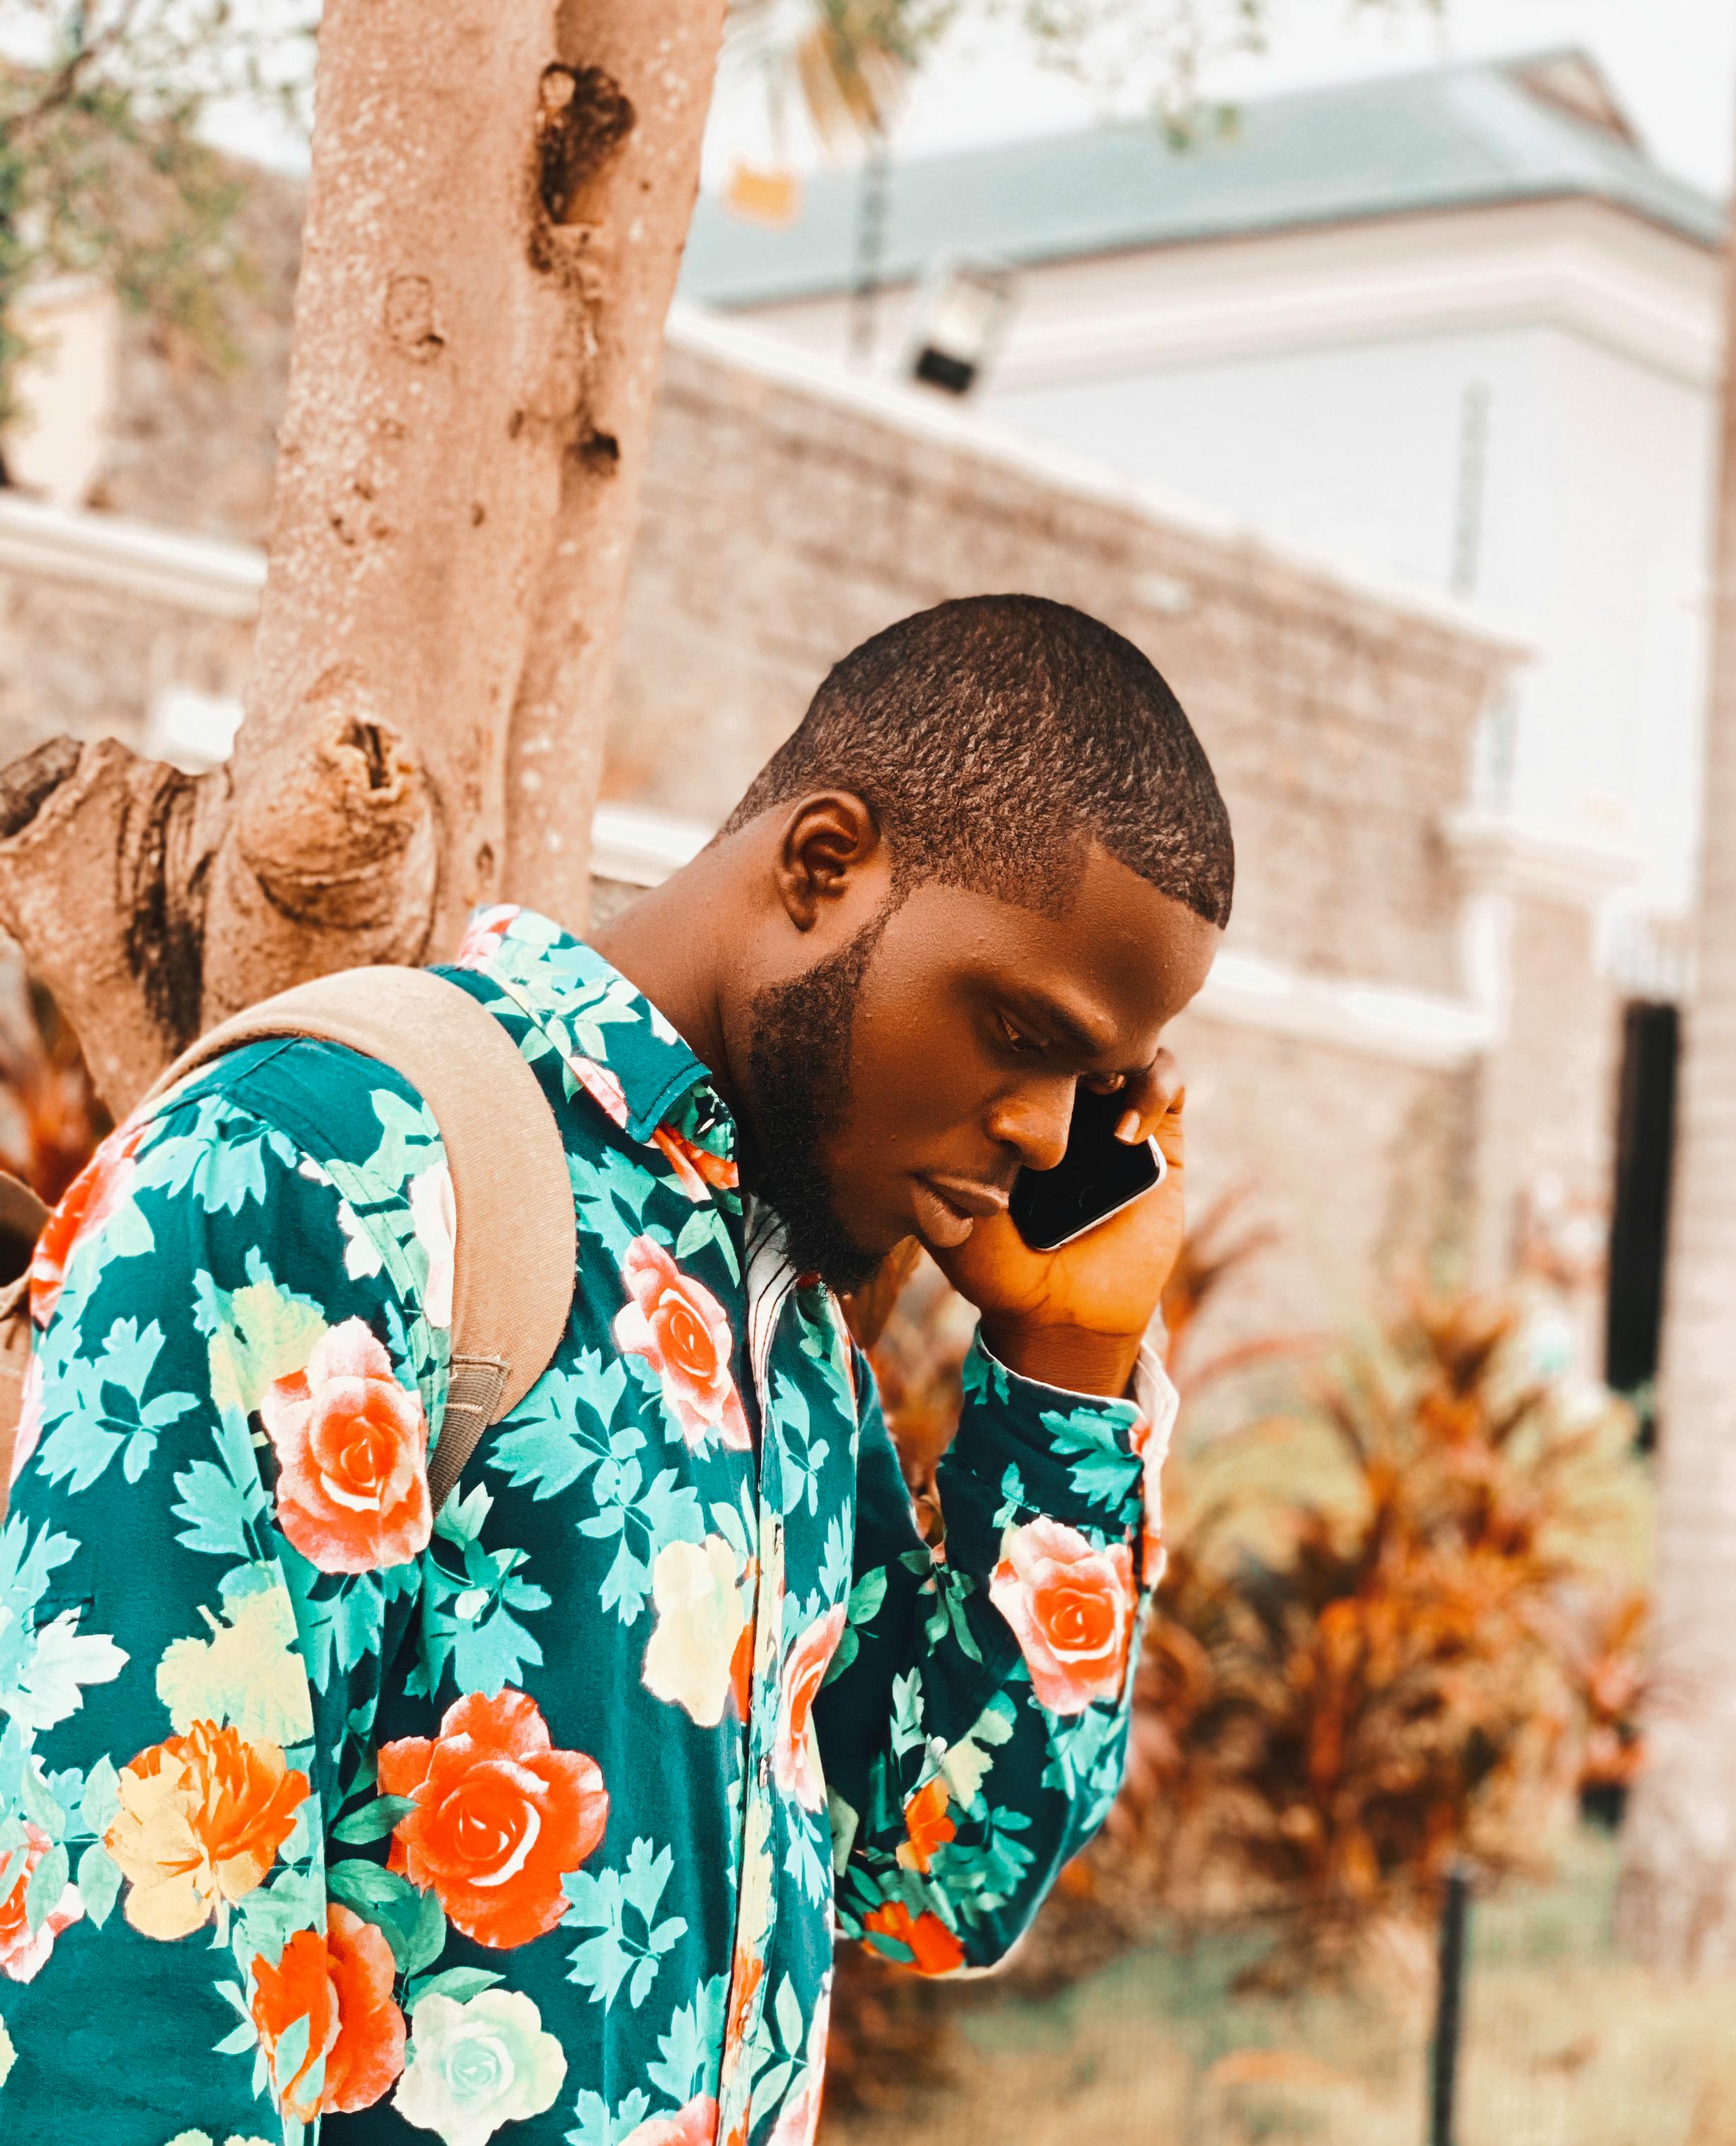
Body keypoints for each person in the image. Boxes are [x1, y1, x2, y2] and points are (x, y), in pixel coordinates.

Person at [0, 594, 1231, 2144]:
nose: (1049, 1130)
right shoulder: (323, 1165)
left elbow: (939, 1873)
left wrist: (1069, 1355)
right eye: (1018, 1030)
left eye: (1093, 1080)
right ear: (824, 861)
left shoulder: (780, 1327)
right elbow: (133, 1991)